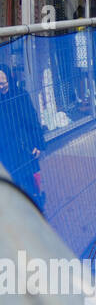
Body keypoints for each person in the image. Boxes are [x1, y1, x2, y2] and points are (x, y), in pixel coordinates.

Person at [0, 64, 46, 209]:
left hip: (24, 147)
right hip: (5, 150)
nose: (0, 87)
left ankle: (36, 202)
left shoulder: (20, 95)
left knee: (29, 183)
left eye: (3, 83)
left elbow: (32, 120)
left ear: (9, 80)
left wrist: (38, 144)